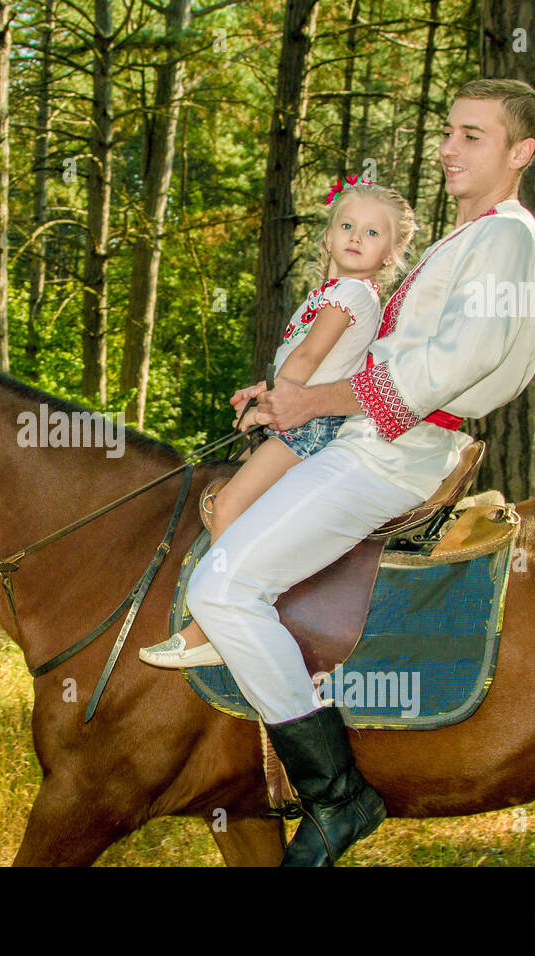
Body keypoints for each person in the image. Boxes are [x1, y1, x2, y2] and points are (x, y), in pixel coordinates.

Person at [182, 78, 535, 866]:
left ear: (520, 152)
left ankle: (337, 797)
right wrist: (296, 400)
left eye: (474, 136)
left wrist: (314, 397)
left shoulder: (507, 238)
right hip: (372, 436)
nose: (450, 147)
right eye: (449, 131)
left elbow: (456, 363)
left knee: (221, 586)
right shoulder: (468, 239)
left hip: (400, 450)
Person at [139, 178, 417, 668]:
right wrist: (264, 392)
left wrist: (270, 404)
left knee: (228, 505)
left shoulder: (351, 293)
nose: (356, 237)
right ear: (328, 236)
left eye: (372, 233)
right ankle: (249, 598)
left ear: (391, 254)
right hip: (297, 415)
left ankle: (217, 622)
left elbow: (308, 358)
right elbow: (307, 362)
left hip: (308, 428)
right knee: (220, 502)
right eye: (348, 225)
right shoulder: (333, 292)